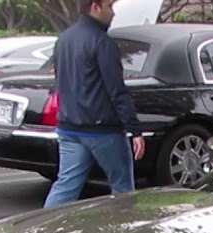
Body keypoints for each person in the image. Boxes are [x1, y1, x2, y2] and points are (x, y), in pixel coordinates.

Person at [42, 0, 145, 208]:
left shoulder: (64, 39)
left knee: (65, 186)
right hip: (103, 130)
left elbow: (61, 81)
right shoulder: (102, 42)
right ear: (94, 7)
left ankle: (42, 231)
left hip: (69, 127)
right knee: (122, 188)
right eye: (109, 6)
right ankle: (122, 231)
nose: (113, 13)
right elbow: (116, 90)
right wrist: (134, 130)